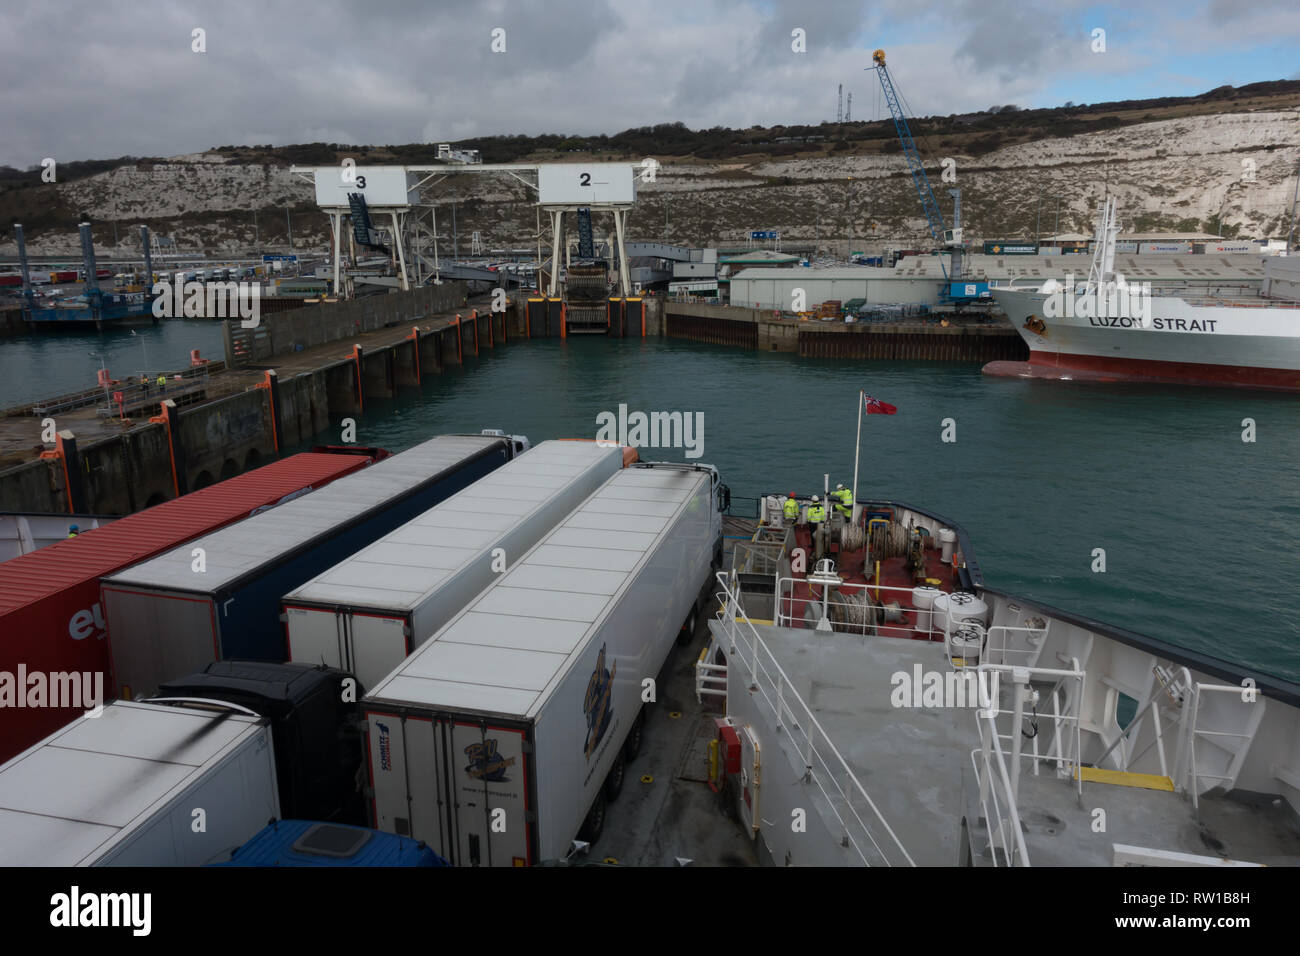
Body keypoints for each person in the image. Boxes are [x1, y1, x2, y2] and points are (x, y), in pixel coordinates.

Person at [807, 496, 827, 562]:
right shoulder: (821, 507)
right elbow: (823, 515)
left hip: (812, 523)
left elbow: (809, 516)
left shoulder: (811, 508)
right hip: (819, 524)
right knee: (820, 534)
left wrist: (808, 521)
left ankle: (813, 545)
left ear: (812, 501)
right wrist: (822, 521)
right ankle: (821, 545)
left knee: (812, 534)